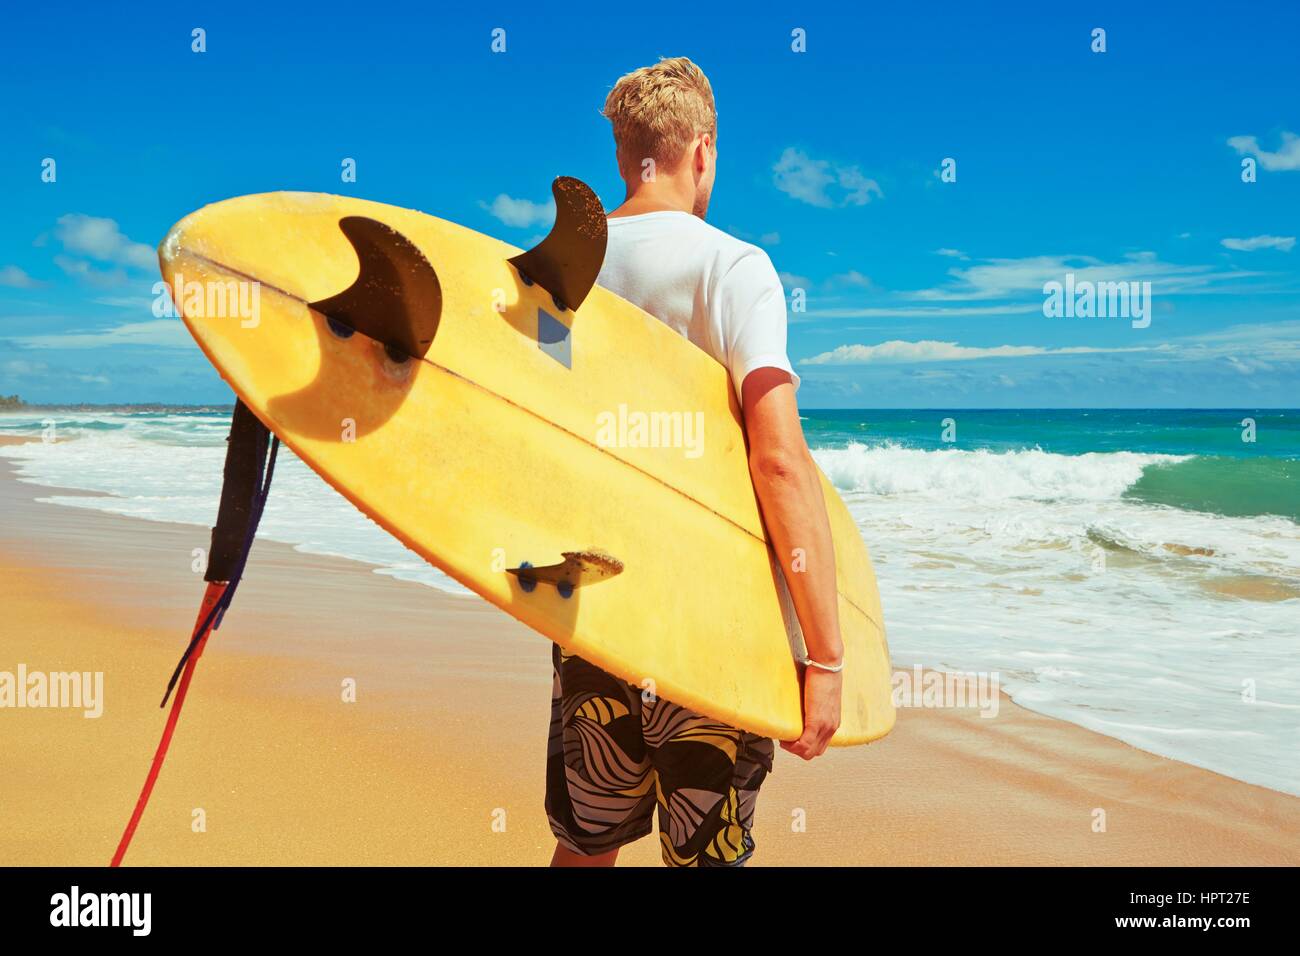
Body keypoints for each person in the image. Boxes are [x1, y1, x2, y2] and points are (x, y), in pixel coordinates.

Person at [547, 57, 843, 867]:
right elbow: (778, 461)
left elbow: (532, 441)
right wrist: (825, 656)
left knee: (585, 845)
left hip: (595, 615)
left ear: (624, 158)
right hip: (715, 626)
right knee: (704, 861)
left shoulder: (569, 274)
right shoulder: (734, 267)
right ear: (703, 151)